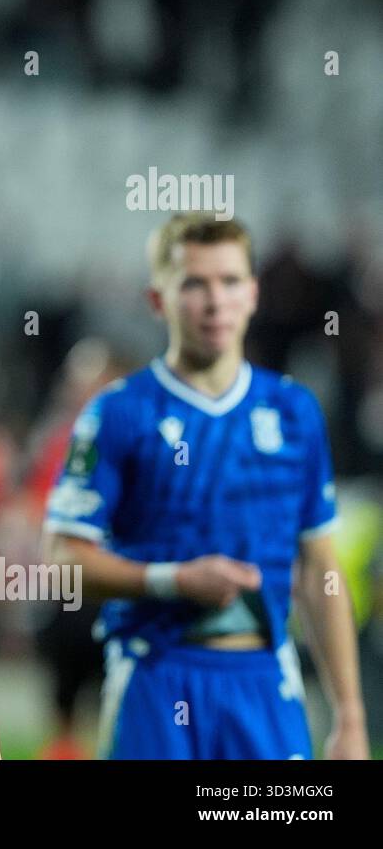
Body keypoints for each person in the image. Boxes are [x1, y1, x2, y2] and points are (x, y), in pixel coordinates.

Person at [44, 213, 369, 759]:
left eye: (230, 281)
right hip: (156, 676)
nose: (216, 301)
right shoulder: (119, 413)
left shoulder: (293, 411)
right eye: (195, 283)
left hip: (265, 681)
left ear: (254, 293)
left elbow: (319, 564)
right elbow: (61, 558)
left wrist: (349, 713)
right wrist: (174, 580)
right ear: (157, 299)